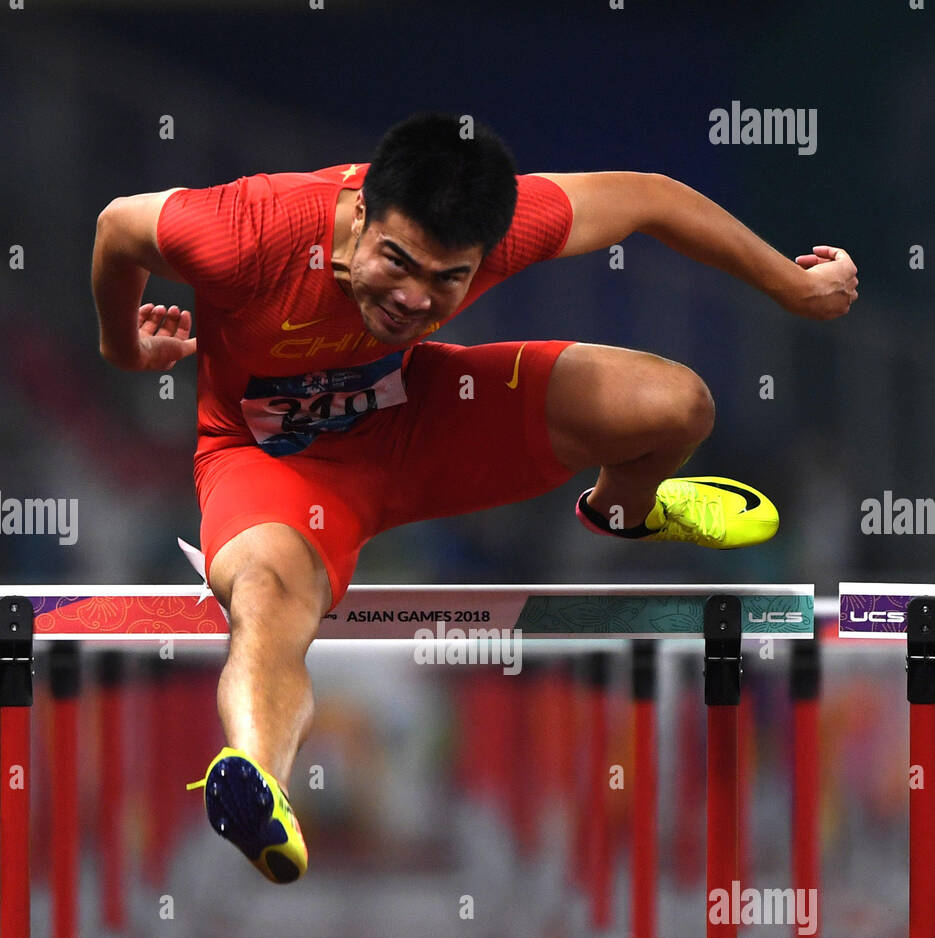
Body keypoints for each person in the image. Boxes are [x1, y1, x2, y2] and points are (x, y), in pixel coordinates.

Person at [92, 112, 858, 884]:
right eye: (396, 261)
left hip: (424, 416)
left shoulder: (506, 222)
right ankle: (258, 781)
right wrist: (125, 347)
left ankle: (623, 510)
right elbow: (117, 226)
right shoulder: (245, 229)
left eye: (446, 279)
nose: (412, 299)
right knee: (265, 593)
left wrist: (790, 286)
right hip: (273, 461)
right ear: (359, 215)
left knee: (674, 404)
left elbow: (652, 197)